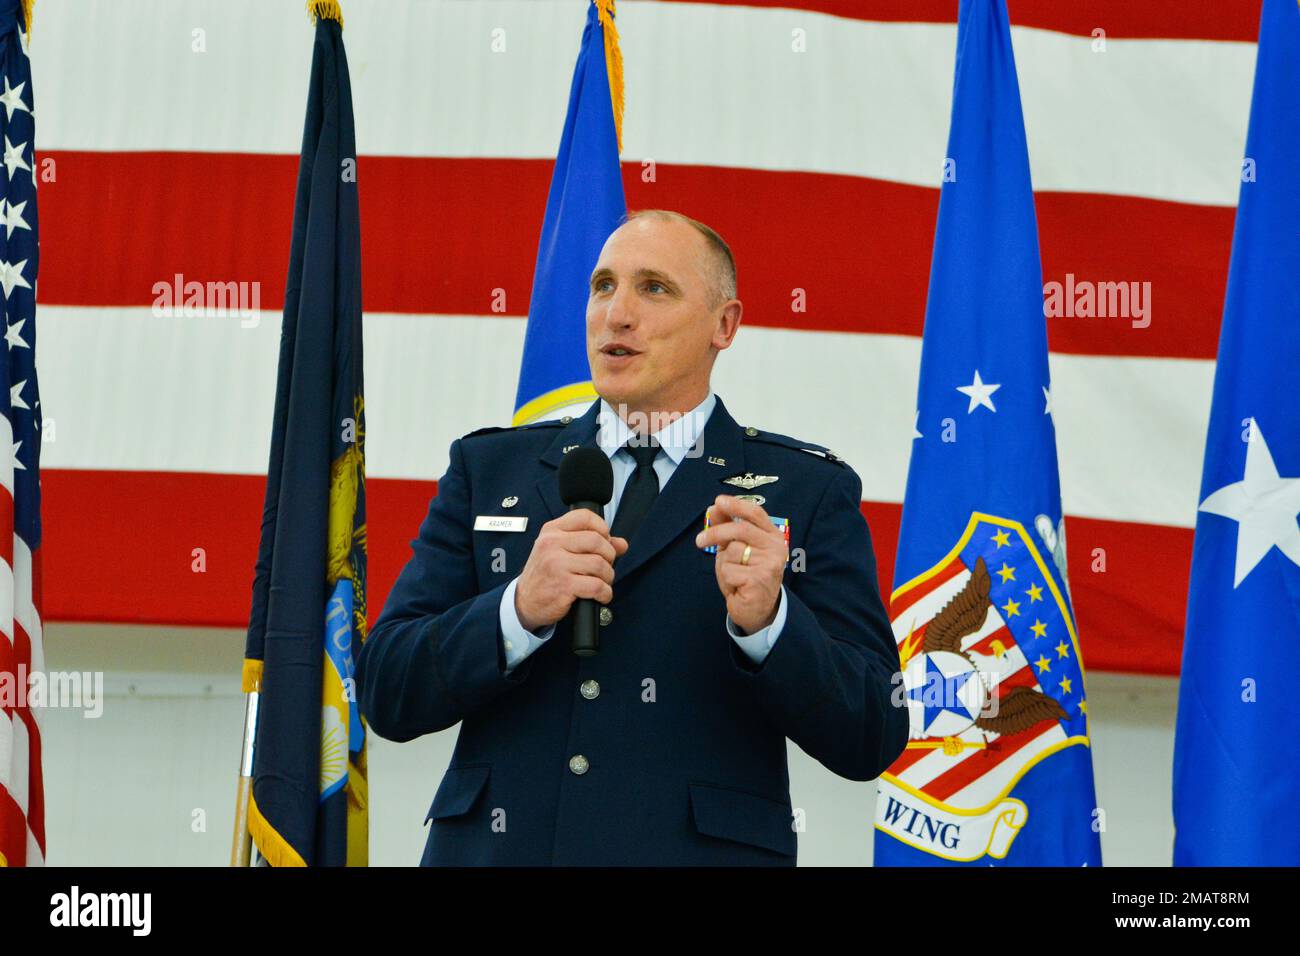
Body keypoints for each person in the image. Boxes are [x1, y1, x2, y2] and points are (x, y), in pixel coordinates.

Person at [357, 209, 907, 865]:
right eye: (602, 286)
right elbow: (387, 690)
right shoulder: (489, 469)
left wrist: (771, 624)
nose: (617, 314)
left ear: (724, 325)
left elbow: (873, 732)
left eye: (653, 288)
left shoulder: (803, 490)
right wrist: (517, 610)